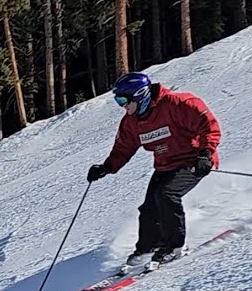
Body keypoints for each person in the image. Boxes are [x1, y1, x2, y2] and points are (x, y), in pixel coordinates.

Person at [87, 72, 221, 269]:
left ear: (140, 95)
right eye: (118, 101)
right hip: (165, 165)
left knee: (166, 194)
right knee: (149, 207)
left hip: (193, 161)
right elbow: (123, 147)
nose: (122, 106)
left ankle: (173, 247)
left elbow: (208, 126)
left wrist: (205, 154)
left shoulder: (177, 104)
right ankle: (148, 248)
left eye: (123, 100)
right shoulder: (131, 121)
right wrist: (107, 167)